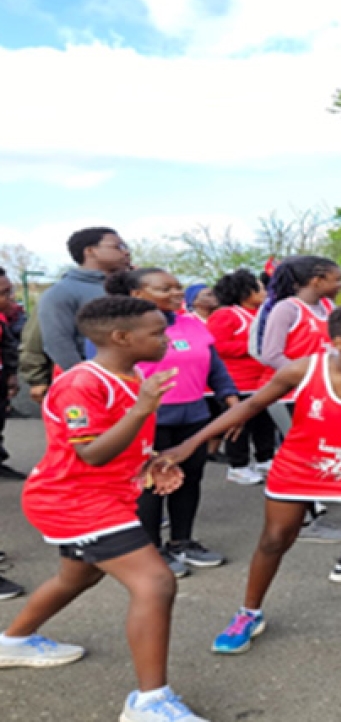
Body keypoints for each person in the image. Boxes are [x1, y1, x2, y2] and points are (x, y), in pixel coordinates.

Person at [162, 304, 341, 683]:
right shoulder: (303, 369)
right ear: (338, 343)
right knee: (274, 541)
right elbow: (253, 404)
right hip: (298, 469)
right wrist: (191, 444)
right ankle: (248, 614)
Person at [0, 296, 214, 722]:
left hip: (105, 497)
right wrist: (143, 409)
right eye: (156, 332)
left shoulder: (134, 374)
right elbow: (92, 455)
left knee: (76, 576)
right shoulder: (82, 384)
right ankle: (150, 703)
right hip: (72, 500)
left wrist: (150, 462)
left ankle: (13, 642)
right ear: (121, 337)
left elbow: (123, 442)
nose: (166, 338)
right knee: (156, 583)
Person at [105, 269, 240, 577]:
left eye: (178, 286)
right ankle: (149, 549)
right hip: (148, 420)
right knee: (150, 483)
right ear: (137, 295)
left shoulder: (191, 323)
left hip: (193, 415)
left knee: (189, 479)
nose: (177, 292)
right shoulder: (119, 331)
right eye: (165, 288)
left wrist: (230, 397)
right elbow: (107, 374)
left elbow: (214, 364)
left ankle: (182, 541)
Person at [254, 256, 341, 550]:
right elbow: (270, 354)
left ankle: (314, 511)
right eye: (336, 279)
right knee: (302, 455)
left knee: (321, 450)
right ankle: (308, 520)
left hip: (320, 392)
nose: (340, 285)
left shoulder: (327, 308)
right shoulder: (286, 309)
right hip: (290, 395)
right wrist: (308, 377)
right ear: (317, 280)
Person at [209, 269, 275, 485]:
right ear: (246, 292)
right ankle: (237, 465)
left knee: (264, 423)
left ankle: (265, 458)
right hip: (238, 381)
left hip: (262, 380)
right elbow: (217, 346)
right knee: (238, 425)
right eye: (261, 288)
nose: (265, 292)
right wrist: (252, 347)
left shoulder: (260, 314)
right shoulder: (226, 314)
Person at [38, 227, 131, 373]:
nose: (126, 252)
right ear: (90, 251)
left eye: (126, 247)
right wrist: (87, 377)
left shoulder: (132, 286)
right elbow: (58, 343)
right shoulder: (62, 292)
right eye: (118, 247)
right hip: (98, 380)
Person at [0, 268, 19, 481]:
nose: (10, 298)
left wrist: (11, 374)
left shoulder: (2, 320)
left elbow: (8, 347)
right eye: (4, 293)